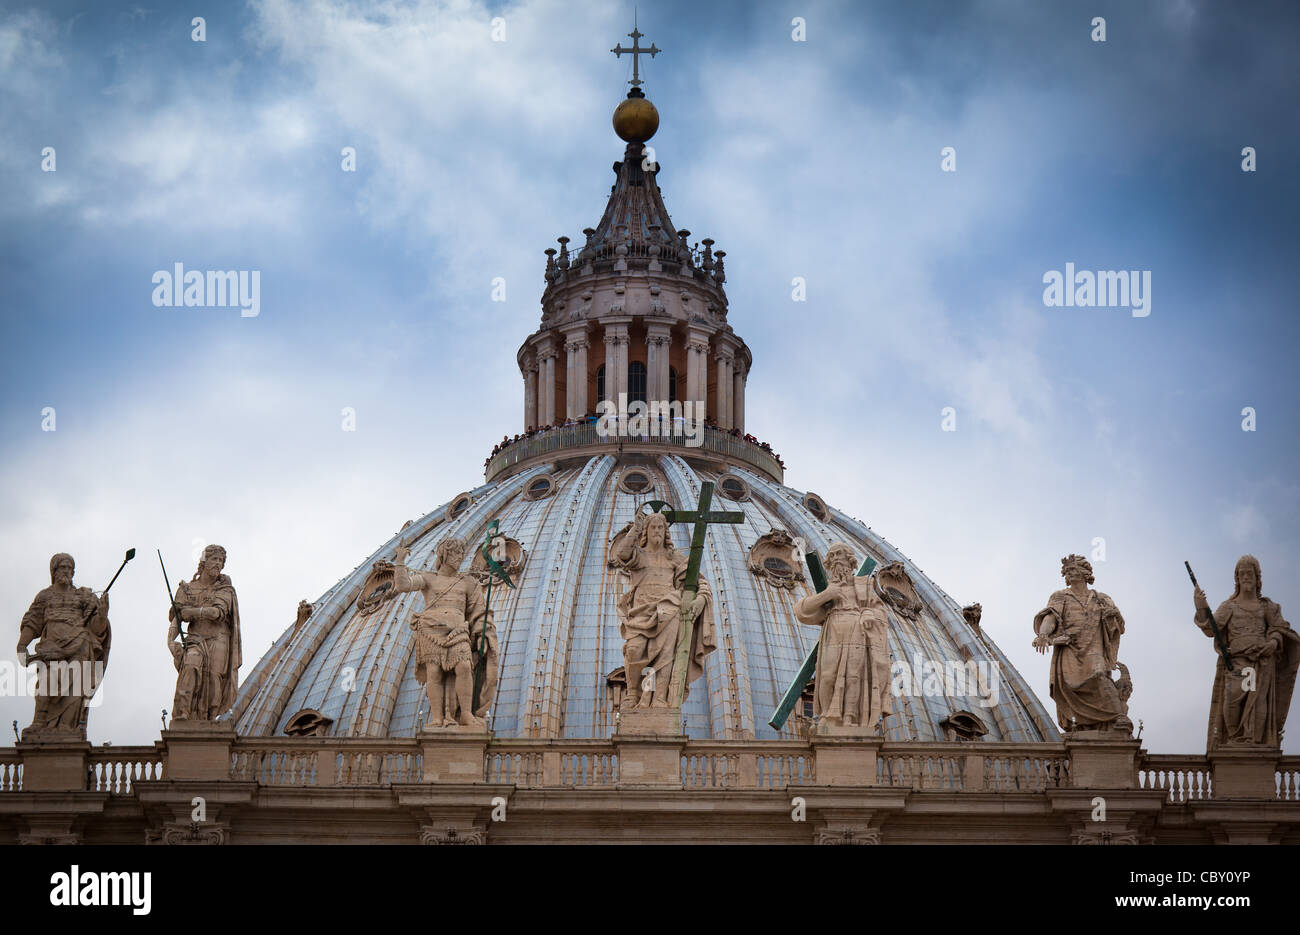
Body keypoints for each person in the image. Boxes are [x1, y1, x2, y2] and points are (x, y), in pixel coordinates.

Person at [610, 511, 715, 709]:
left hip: (669, 609)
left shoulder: (673, 557)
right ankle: (633, 693)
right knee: (634, 651)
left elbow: (699, 581)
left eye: (661, 528)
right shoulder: (639, 556)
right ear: (646, 531)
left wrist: (701, 599)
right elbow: (622, 555)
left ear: (666, 532)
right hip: (640, 612)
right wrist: (635, 528)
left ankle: (658, 698)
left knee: (666, 656)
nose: (657, 531)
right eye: (653, 527)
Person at [1193, 555, 1300, 747]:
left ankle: (1252, 743)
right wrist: (1201, 606)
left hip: (1260, 664)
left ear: (1257, 577)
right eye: (1242, 574)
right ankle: (1234, 738)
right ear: (1237, 578)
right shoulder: (1229, 606)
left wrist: (1273, 643)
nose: (1246, 577)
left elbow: (1279, 629)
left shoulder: (1267, 606)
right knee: (1232, 703)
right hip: (1238, 664)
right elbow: (1211, 628)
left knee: (1258, 705)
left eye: (1249, 573)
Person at [794, 543, 891, 730]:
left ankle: (849, 717)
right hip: (834, 628)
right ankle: (827, 716)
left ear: (851, 561)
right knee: (828, 675)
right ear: (829, 562)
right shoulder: (827, 588)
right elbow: (801, 611)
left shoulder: (862, 585)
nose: (838, 558)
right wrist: (826, 595)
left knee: (854, 676)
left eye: (841, 555)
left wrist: (869, 614)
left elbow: (879, 611)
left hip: (858, 631)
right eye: (833, 555)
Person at [16, 553, 111, 735]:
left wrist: (102, 615)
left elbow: (96, 629)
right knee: (47, 682)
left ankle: (68, 727)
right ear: (54, 571)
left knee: (76, 687)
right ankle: (40, 721)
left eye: (69, 568)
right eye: (62, 567)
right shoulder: (45, 596)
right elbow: (32, 622)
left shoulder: (83, 596)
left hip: (79, 646)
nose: (66, 571)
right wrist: (22, 645)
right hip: (51, 646)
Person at [1032, 554, 1129, 732]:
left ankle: (1117, 716)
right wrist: (1043, 634)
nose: (1070, 574)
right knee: (1070, 685)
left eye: (1074, 569)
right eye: (1068, 571)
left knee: (1099, 674)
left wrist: (1111, 616)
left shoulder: (1101, 598)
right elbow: (1050, 617)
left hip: (1094, 647)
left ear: (1085, 573)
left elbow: (1119, 625)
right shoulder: (1060, 596)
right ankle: (1082, 725)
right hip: (1069, 647)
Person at [167, 544, 242, 721]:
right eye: (214, 559)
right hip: (195, 639)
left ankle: (209, 721)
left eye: (221, 561)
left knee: (215, 680)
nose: (218, 564)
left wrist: (192, 612)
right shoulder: (187, 589)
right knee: (191, 665)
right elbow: (177, 618)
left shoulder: (225, 589)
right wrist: (170, 641)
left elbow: (217, 613)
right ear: (204, 562)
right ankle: (183, 713)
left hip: (219, 640)